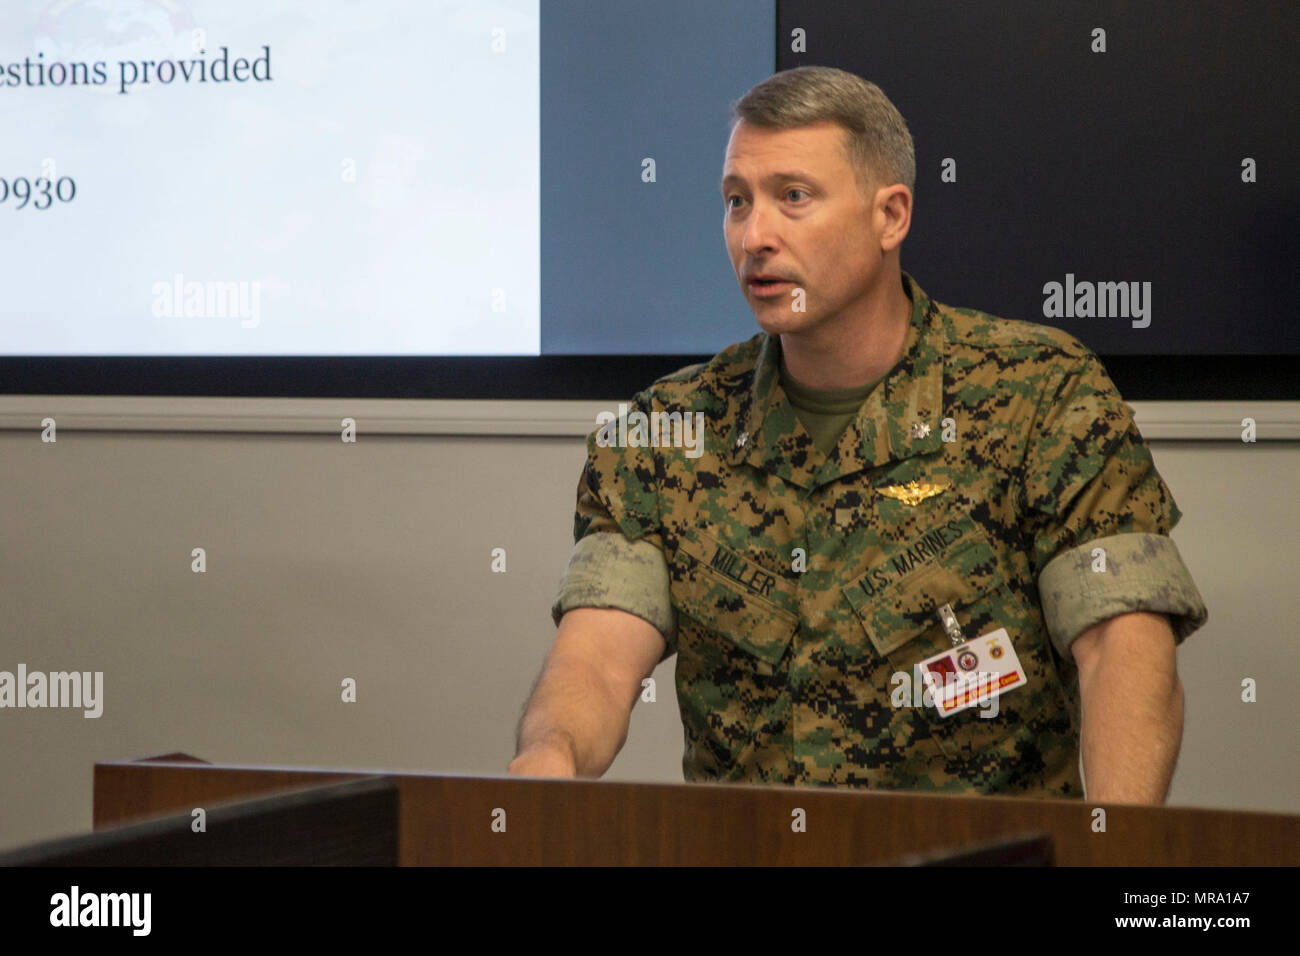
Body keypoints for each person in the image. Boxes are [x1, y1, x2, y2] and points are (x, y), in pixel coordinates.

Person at [509, 66, 1207, 803]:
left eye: (793, 198)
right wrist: (549, 762)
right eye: (736, 202)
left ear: (891, 216)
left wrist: (1119, 848)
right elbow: (597, 656)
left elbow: (1120, 646)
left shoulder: (1041, 394)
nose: (755, 236)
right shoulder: (667, 430)